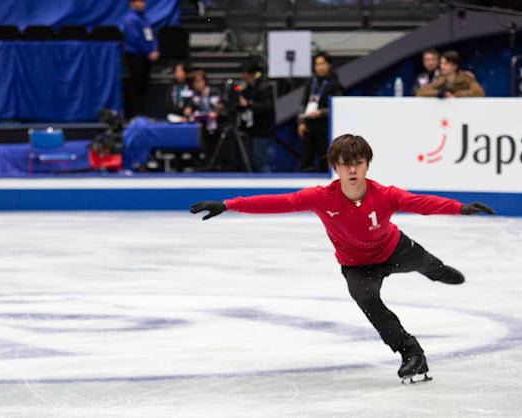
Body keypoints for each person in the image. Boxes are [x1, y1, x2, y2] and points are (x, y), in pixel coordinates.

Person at [190, 134, 496, 384]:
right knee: (367, 300)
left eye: (358, 163)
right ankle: (411, 353)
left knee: (426, 263)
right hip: (356, 265)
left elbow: (422, 203)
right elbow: (278, 202)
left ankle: (436, 271)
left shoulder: (386, 195)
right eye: (345, 164)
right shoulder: (320, 197)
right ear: (335, 167)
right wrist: (229, 204)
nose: (352, 170)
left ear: (367, 165)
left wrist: (460, 208)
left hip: (394, 250)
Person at [297, 51, 343, 173]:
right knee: (306, 161)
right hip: (309, 126)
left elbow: (338, 107)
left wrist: (321, 112)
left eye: (322, 63)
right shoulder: (311, 82)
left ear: (329, 65)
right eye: (317, 64)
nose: (320, 67)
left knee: (325, 161)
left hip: (325, 129)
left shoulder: (335, 84)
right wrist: (301, 121)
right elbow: (303, 102)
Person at [122, 0, 159, 119]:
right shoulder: (130, 19)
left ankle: (142, 114)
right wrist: (148, 51)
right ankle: (135, 115)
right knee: (136, 86)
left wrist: (155, 49)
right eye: (139, 1)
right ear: (132, 3)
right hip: (136, 57)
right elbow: (135, 39)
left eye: (143, 1)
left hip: (146, 57)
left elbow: (152, 36)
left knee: (144, 86)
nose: (142, 4)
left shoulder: (145, 19)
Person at [239, 60, 276, 173]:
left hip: (262, 131)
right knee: (254, 161)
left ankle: (270, 186)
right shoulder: (248, 88)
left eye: (245, 77)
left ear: (252, 75)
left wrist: (248, 104)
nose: (244, 79)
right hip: (252, 129)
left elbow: (265, 108)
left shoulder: (263, 88)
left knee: (260, 161)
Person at [417, 50, 485, 98]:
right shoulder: (441, 78)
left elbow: (479, 92)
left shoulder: (466, 77)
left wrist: (455, 95)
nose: (442, 67)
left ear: (455, 66)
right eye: (441, 64)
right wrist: (438, 93)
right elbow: (421, 92)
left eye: (446, 64)